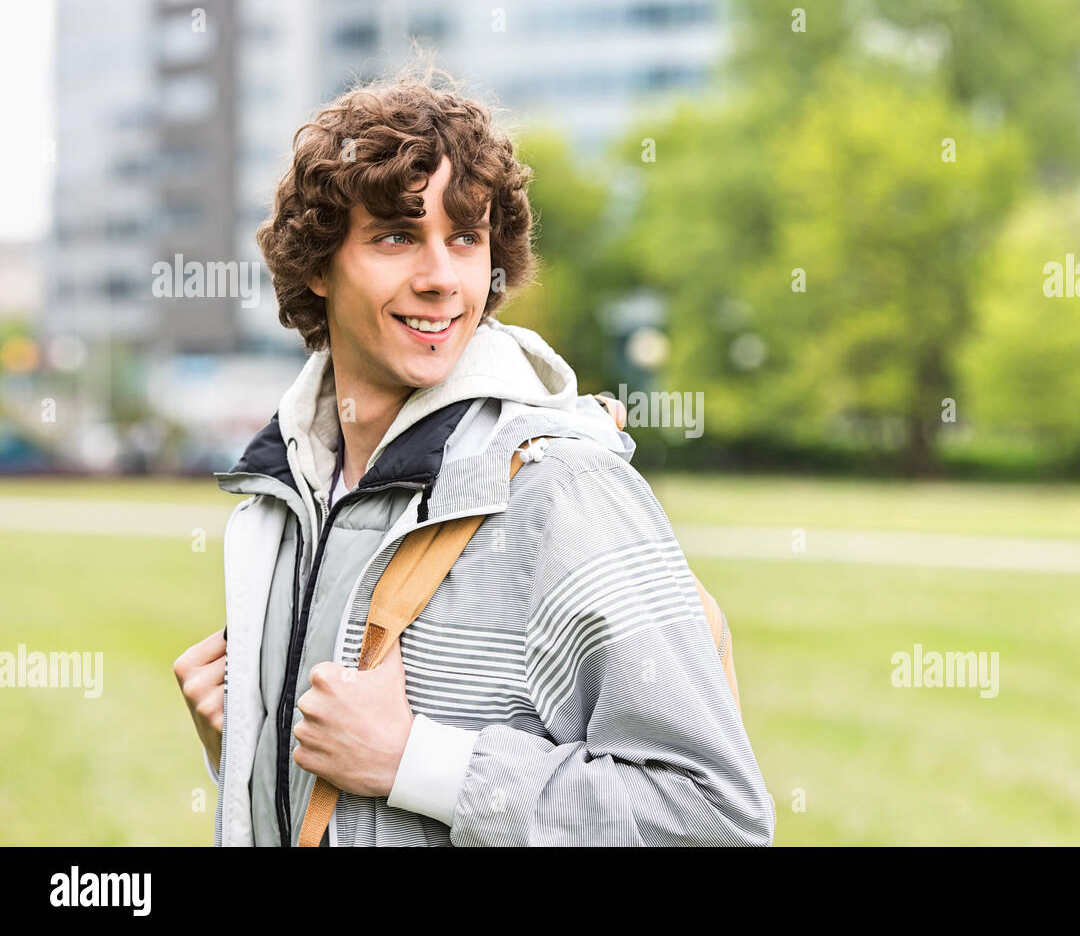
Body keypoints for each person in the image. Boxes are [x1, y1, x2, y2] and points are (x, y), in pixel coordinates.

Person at [171, 63, 775, 847]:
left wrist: (417, 761)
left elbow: (713, 817)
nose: (441, 279)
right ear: (318, 266)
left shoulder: (564, 489)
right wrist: (246, 753)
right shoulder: (281, 499)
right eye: (395, 237)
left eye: (464, 238)